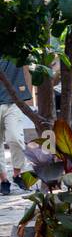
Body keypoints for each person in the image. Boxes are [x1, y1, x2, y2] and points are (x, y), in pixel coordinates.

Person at [0, 59, 33, 196]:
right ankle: (4, 181)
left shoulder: (15, 48)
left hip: (13, 102)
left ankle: (16, 174)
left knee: (15, 139)